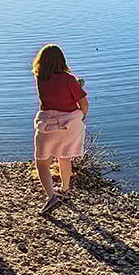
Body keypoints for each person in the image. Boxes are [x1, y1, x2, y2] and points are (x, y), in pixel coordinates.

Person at [32, 44, 88, 216]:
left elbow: (54, 91)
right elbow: (83, 104)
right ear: (62, 60)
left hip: (48, 125)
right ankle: (64, 189)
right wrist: (81, 117)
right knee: (65, 157)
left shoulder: (40, 78)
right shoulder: (69, 80)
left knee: (42, 162)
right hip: (69, 125)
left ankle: (51, 196)